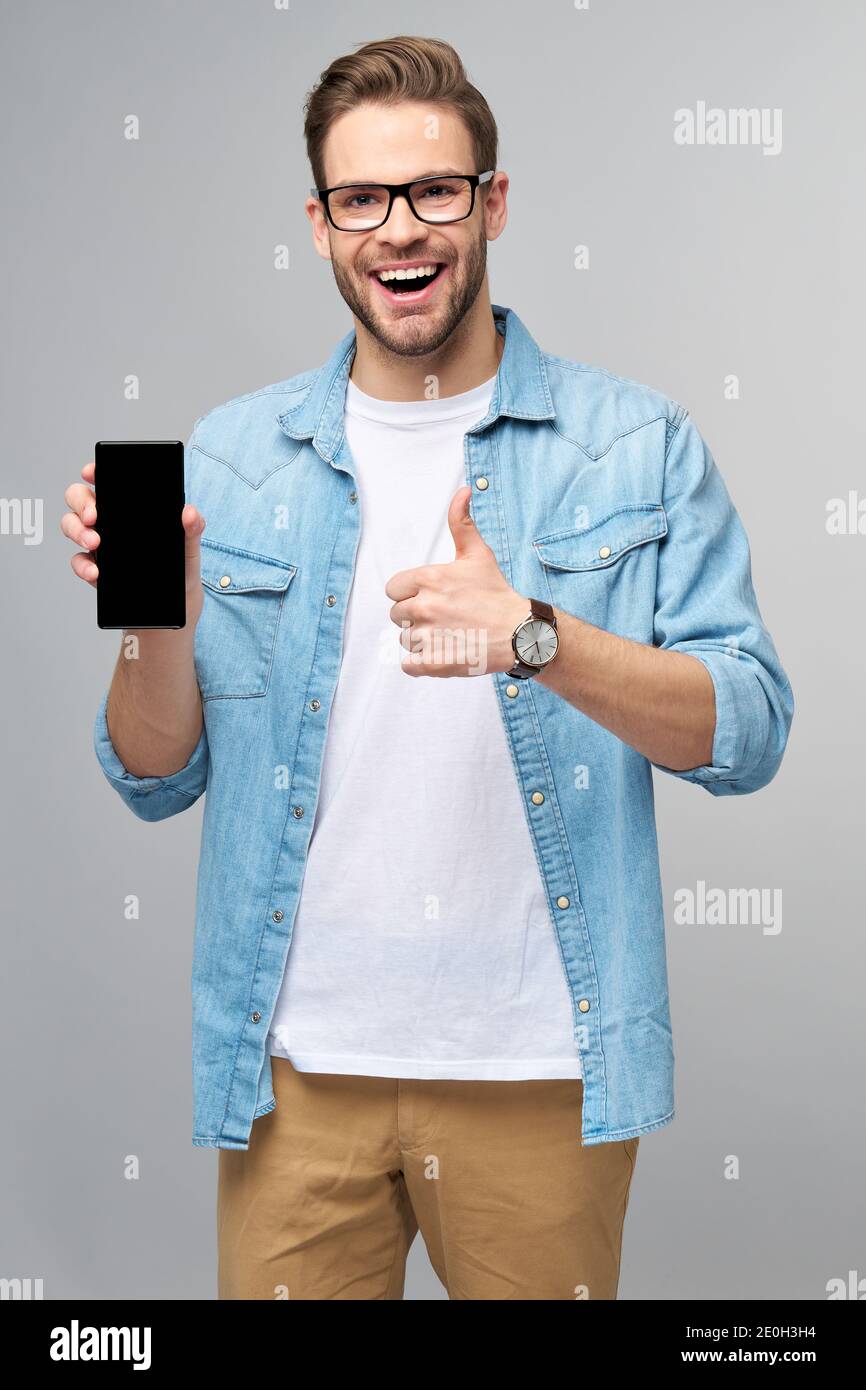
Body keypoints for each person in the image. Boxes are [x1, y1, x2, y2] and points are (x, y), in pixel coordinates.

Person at [63, 35, 793, 1300]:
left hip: (538, 1075)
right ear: (318, 221)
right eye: (361, 199)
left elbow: (747, 730)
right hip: (293, 1078)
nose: (398, 230)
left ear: (492, 201)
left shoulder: (635, 444)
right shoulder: (228, 459)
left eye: (434, 191)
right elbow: (150, 770)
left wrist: (532, 636)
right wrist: (160, 619)